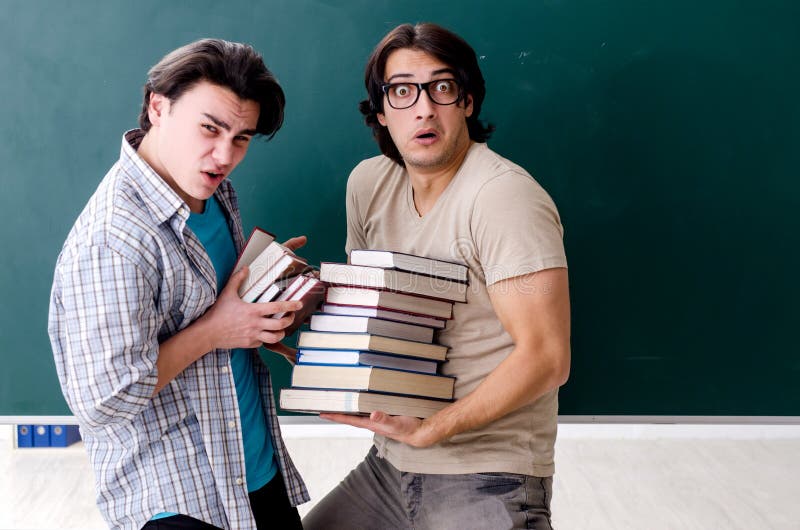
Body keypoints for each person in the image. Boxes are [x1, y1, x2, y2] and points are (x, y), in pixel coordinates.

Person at [303, 23, 571, 530]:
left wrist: (434, 430)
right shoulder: (368, 184)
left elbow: (548, 357)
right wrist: (302, 303)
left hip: (486, 471)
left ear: (467, 101)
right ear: (381, 112)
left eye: (441, 88)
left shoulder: (502, 198)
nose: (423, 108)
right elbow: (371, 314)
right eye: (402, 91)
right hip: (390, 465)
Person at [48, 39, 308, 530]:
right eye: (209, 129)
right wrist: (217, 330)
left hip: (252, 472)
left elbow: (201, 304)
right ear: (158, 107)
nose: (224, 154)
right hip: (178, 498)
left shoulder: (208, 189)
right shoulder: (113, 238)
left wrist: (263, 292)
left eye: (241, 138)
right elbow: (105, 398)